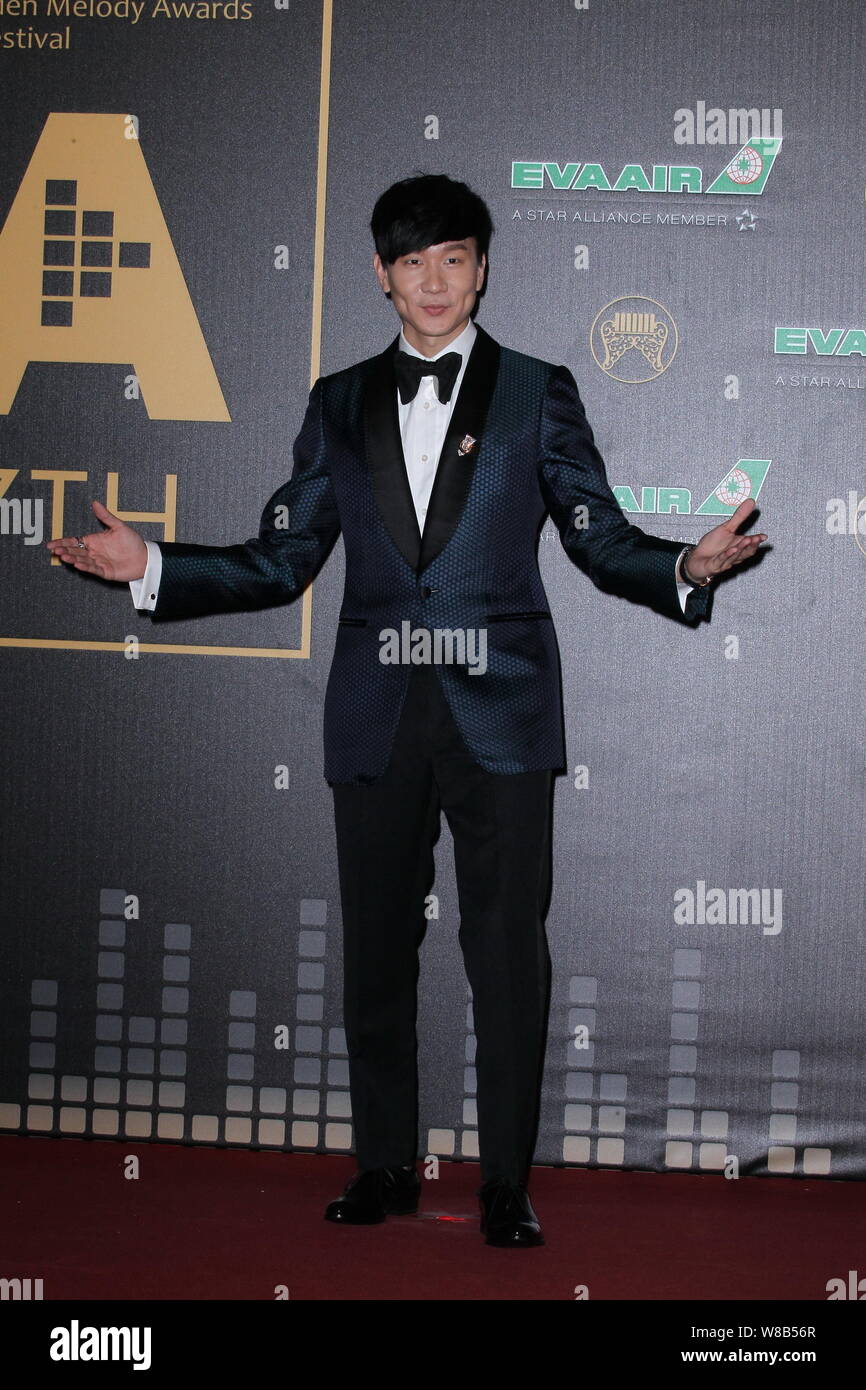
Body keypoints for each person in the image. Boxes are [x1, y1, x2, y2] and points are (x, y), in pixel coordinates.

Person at [48, 173, 767, 1248]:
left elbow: (590, 532)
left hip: (505, 714)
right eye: (413, 262)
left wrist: (681, 565)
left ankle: (505, 1184)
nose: (434, 282)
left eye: (454, 259)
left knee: (506, 954)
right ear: (382, 275)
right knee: (377, 952)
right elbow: (284, 555)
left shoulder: (537, 391)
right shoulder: (336, 401)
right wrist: (153, 562)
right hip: (376, 710)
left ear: (481, 267)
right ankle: (382, 1162)